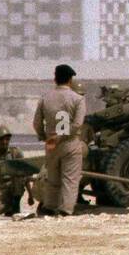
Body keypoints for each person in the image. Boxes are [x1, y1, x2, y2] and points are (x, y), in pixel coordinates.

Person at [26, 64, 87, 219]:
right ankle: (65, 209)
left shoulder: (45, 98)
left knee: (52, 178)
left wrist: (43, 136)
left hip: (51, 142)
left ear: (55, 79)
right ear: (70, 80)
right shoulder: (77, 99)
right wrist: (63, 135)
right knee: (70, 178)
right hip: (70, 143)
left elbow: (37, 123)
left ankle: (49, 207)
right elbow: (77, 124)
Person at [0, 125, 31, 216]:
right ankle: (10, 206)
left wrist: (30, 195)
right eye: (2, 140)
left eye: (7, 139)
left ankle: (16, 206)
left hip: (15, 185)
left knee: (17, 176)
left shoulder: (16, 152)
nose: (5, 142)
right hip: (2, 187)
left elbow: (26, 174)